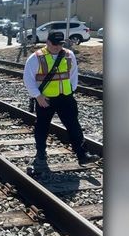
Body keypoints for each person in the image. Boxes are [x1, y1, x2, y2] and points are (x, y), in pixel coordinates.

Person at [23, 31, 101, 171]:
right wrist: (38, 96)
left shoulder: (68, 55)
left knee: (74, 126)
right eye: (54, 44)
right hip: (45, 99)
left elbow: (73, 75)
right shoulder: (36, 58)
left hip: (65, 97)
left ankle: (82, 155)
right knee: (42, 127)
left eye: (60, 44)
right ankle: (41, 154)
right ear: (47, 42)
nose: (57, 47)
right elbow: (28, 78)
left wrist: (70, 90)